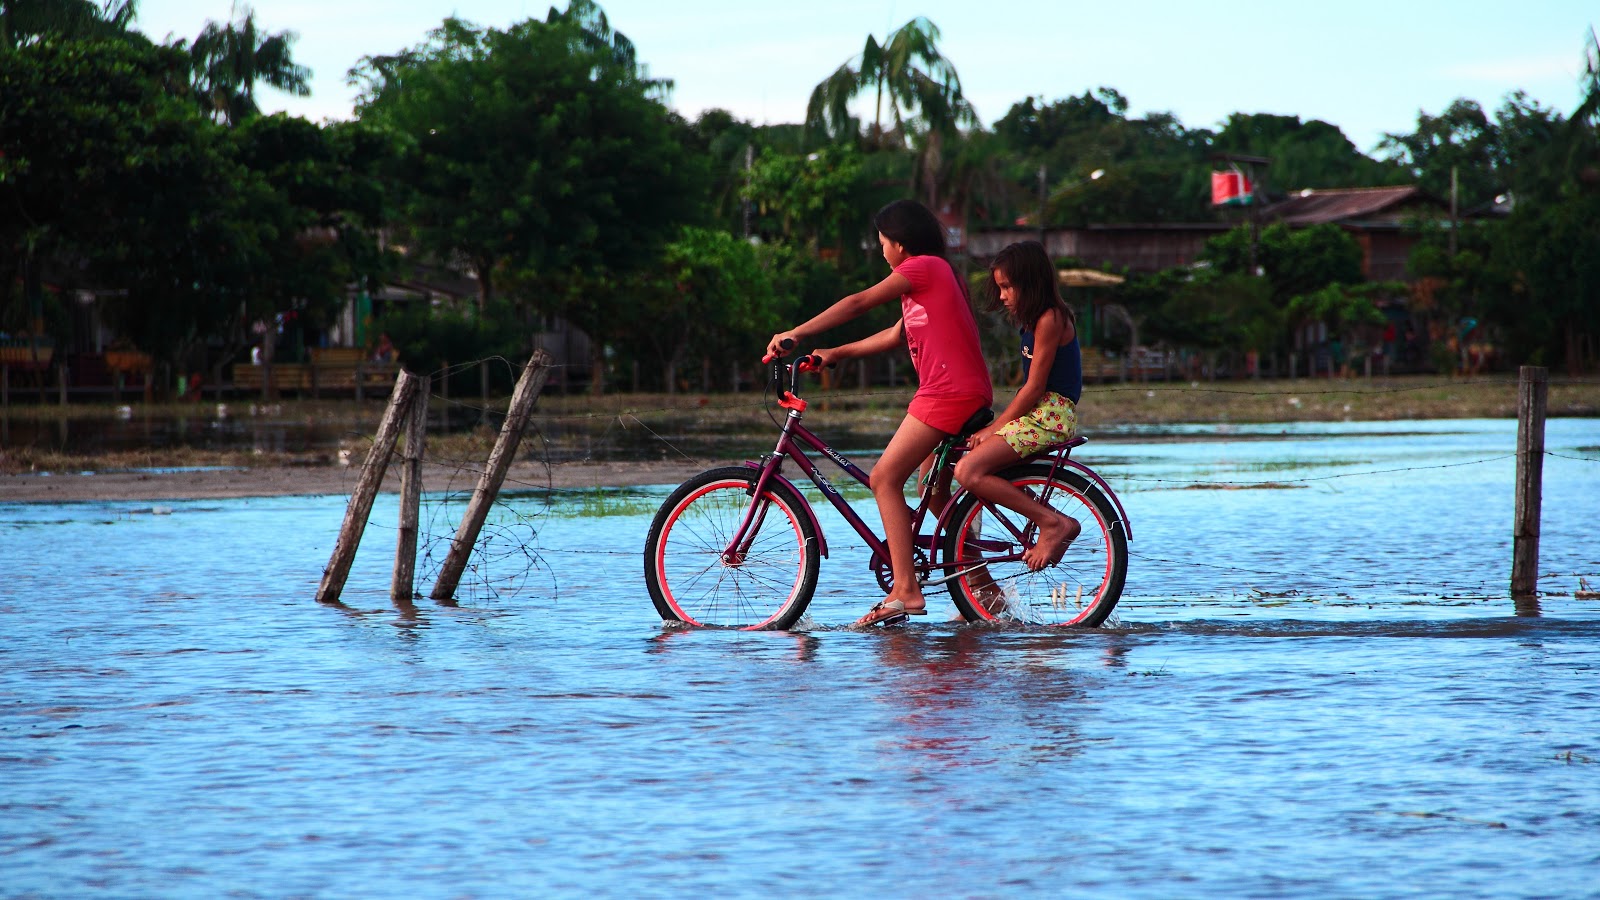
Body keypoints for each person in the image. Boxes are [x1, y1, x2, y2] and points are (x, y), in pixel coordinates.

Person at [766, 199, 992, 627]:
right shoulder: (932, 278)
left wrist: (796, 332)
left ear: (900, 245)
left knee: (885, 477)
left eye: (882, 242)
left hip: (947, 393)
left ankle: (905, 590)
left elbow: (856, 303)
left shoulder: (923, 269)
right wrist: (834, 353)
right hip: (955, 391)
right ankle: (985, 594)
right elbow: (894, 336)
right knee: (936, 492)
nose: (881, 250)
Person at [952, 240, 1082, 577]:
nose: (1004, 296)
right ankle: (1056, 520)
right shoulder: (1032, 321)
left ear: (1031, 283)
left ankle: (1050, 522)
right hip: (1037, 414)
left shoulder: (1051, 318)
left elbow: (1035, 388)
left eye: (1008, 287)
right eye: (1000, 288)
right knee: (976, 461)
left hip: (1050, 415)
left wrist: (994, 428)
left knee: (967, 471)